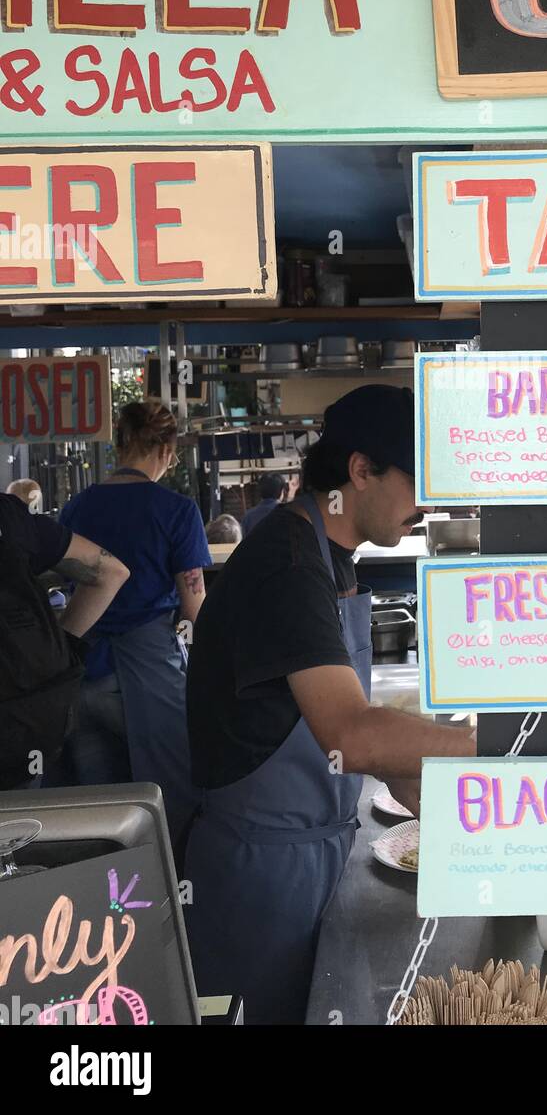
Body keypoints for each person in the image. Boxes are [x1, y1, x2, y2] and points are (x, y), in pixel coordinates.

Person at [183, 385, 475, 1025]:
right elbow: (353, 734)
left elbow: (356, 733)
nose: (426, 505)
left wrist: (453, 816)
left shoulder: (330, 554)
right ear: (361, 469)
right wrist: (498, 750)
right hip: (260, 871)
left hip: (304, 851)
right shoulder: (289, 563)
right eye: (418, 479)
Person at [56, 400, 211, 842]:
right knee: (168, 800)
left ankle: (110, 898)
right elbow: (194, 607)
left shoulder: (77, 508)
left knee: (100, 806)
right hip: (151, 673)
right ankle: (171, 895)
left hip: (85, 668)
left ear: (120, 444)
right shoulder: (176, 510)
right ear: (165, 449)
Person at [0, 491, 129, 788]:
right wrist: (63, 647)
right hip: (24, 719)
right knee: (23, 827)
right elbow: (111, 572)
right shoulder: (11, 520)